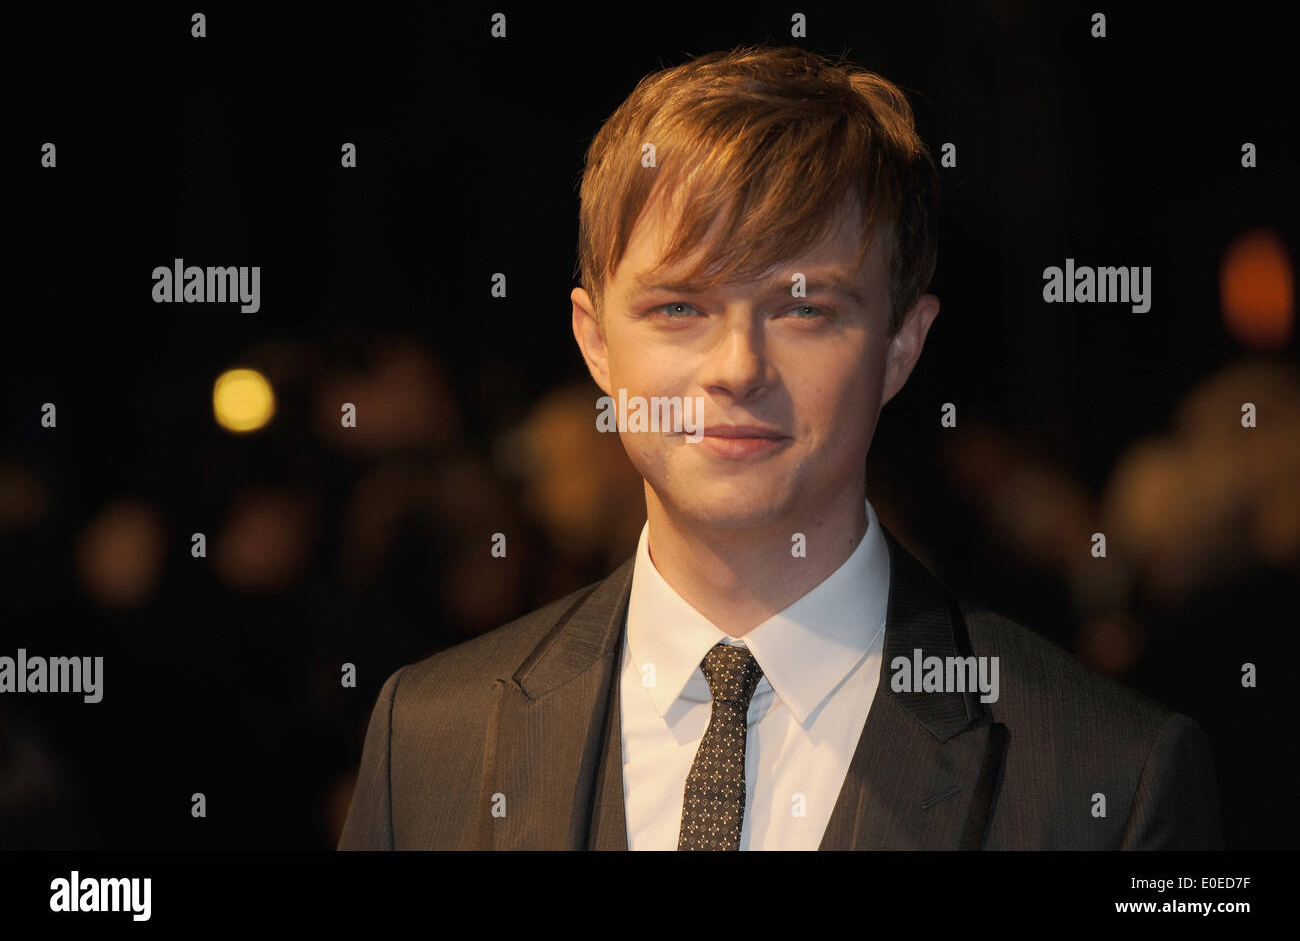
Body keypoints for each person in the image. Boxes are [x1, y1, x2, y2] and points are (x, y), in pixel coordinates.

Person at [338, 43, 1222, 850]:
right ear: (595, 340)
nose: (736, 368)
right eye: (679, 307)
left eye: (803, 308)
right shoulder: (426, 740)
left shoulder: (1110, 776)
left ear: (901, 346)